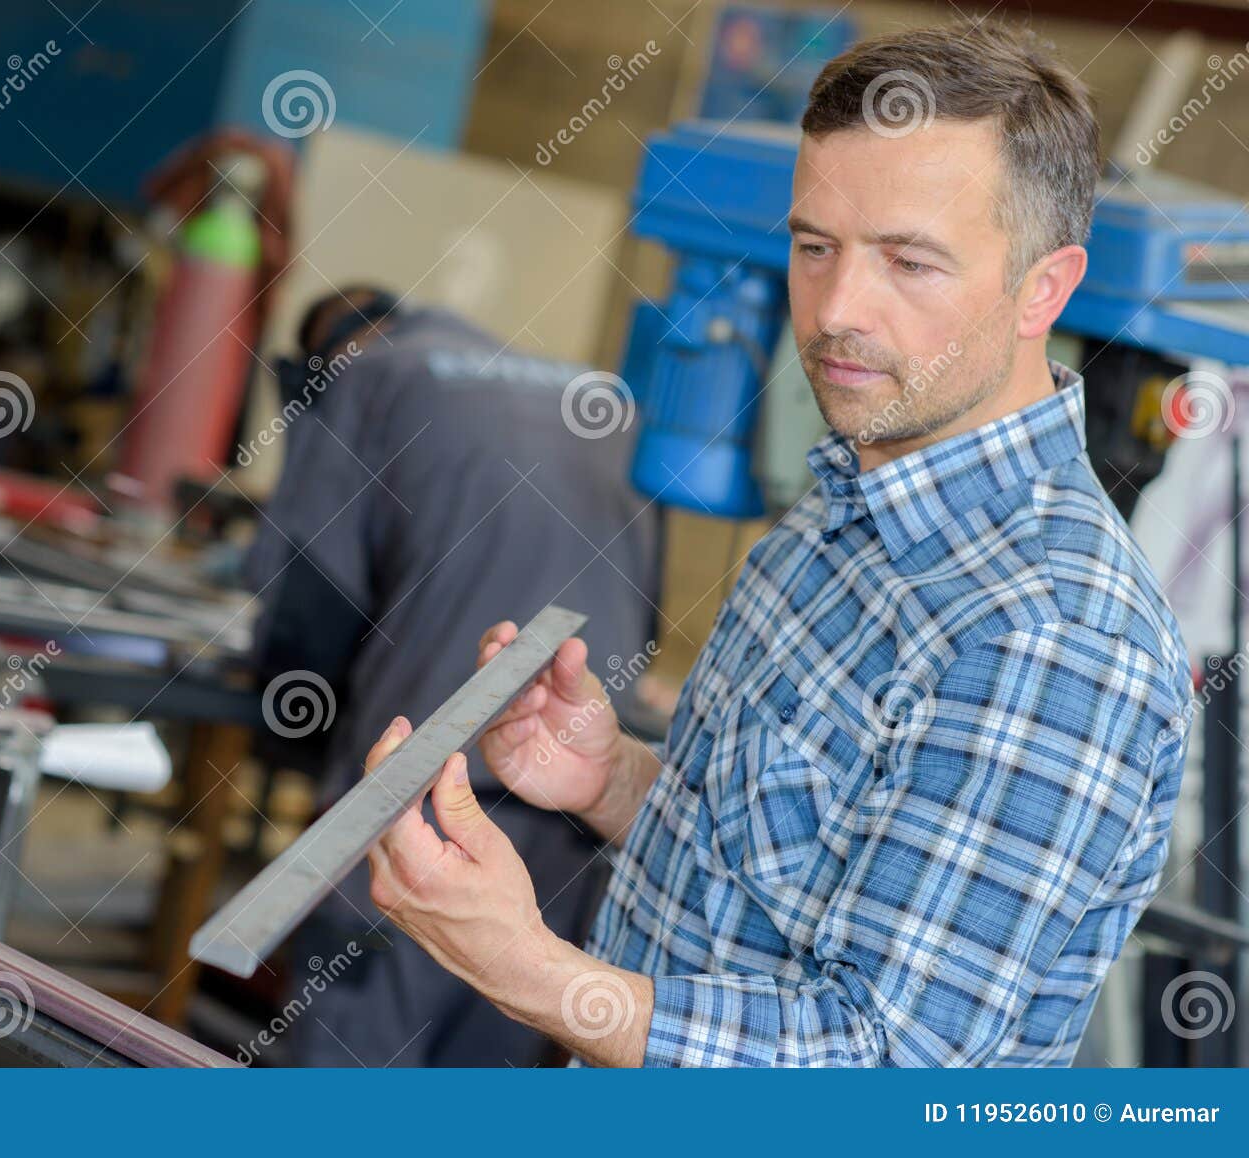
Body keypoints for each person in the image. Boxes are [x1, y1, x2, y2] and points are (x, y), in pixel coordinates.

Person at [360, 22, 1195, 1066]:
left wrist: (525, 968)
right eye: (814, 247)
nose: (838, 311)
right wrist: (611, 777)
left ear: (1044, 288)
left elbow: (884, 1070)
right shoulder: (837, 510)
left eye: (909, 261)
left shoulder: (1048, 639)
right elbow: (784, 876)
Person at [241, 288, 659, 1065]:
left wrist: (289, 735)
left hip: (422, 790)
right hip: (581, 791)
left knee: (352, 1061)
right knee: (494, 1063)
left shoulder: (365, 377)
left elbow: (309, 601)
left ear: (334, 352)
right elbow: (648, 610)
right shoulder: (592, 391)